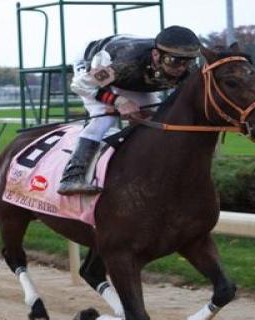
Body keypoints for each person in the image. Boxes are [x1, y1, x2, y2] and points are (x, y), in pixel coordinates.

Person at [58, 26, 202, 196]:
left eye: (188, 61)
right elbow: (80, 85)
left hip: (134, 75)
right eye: (175, 61)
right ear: (156, 55)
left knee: (160, 117)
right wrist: (117, 101)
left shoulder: (189, 70)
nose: (182, 69)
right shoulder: (124, 64)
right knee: (103, 120)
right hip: (96, 63)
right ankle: (71, 177)